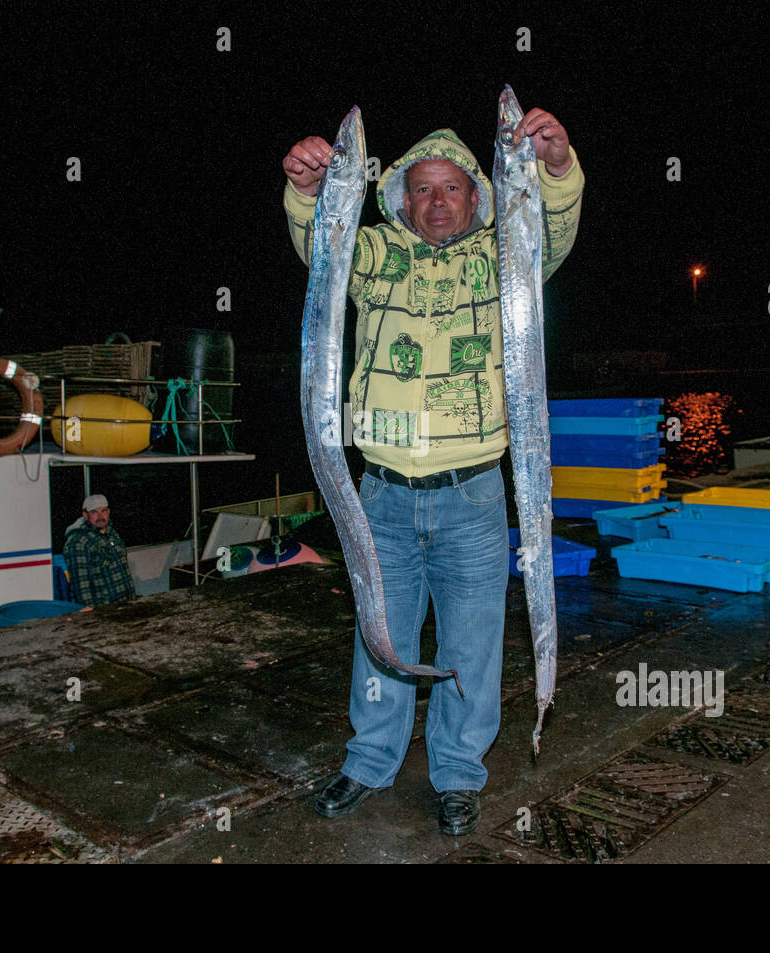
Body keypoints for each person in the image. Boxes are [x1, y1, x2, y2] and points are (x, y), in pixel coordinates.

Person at [282, 109, 584, 834]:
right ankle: (369, 759)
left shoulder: (503, 260)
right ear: (400, 200)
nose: (438, 201)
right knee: (379, 637)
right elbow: (320, 252)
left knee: (472, 643)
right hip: (381, 494)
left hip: (474, 493)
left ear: (477, 198)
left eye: (452, 188)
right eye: (422, 190)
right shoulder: (377, 255)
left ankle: (456, 770)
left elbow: (556, 231)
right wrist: (306, 193)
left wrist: (557, 168)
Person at [63, 494, 136, 606]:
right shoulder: (78, 542)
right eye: (94, 512)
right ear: (85, 515)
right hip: (104, 610)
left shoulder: (112, 533)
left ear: (109, 512)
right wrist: (92, 616)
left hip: (126, 604)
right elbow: (81, 587)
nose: (100, 516)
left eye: (103, 510)